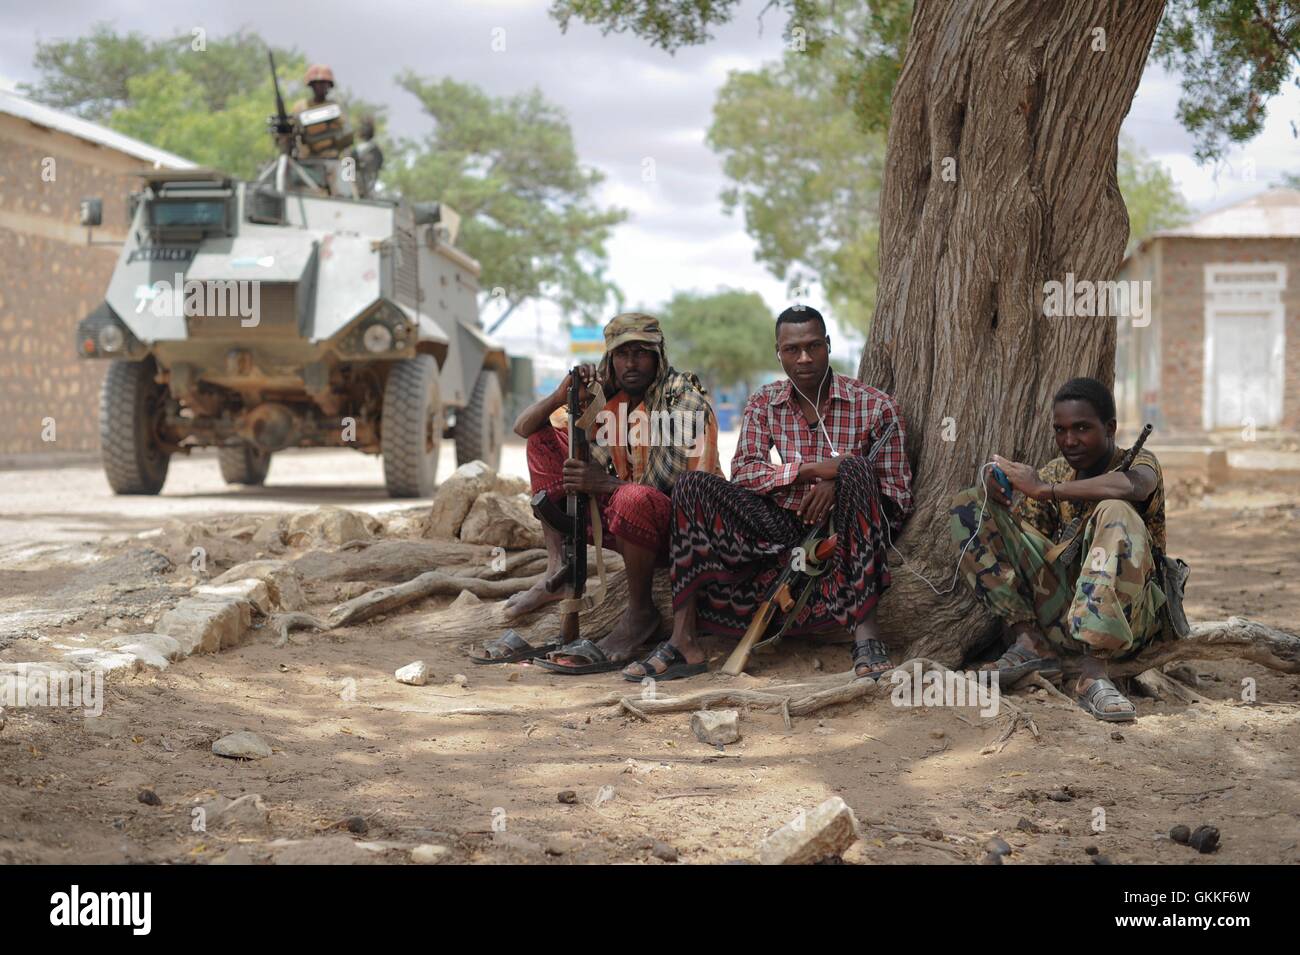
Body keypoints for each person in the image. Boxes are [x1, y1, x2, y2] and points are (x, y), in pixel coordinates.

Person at [622, 305, 914, 682]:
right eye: (792, 350)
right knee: (692, 486)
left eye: (813, 347)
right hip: (780, 524)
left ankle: (865, 633)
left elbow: (897, 497)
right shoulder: (766, 400)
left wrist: (841, 481)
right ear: (779, 353)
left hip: (848, 529)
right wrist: (809, 471)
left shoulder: (877, 406)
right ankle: (684, 640)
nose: (804, 358)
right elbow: (744, 472)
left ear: (828, 345)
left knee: (856, 467)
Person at [479, 312, 721, 673]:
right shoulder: (609, 396)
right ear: (610, 358)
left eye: (642, 353)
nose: (631, 363)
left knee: (631, 499)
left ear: (659, 356)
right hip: (631, 523)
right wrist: (563, 395)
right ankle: (557, 570)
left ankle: (641, 612)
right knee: (543, 441)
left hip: (686, 536)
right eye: (622, 354)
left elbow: (665, 493)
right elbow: (524, 426)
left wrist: (603, 484)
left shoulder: (682, 401)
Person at [947, 377, 1168, 722]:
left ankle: (1094, 674)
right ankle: (1030, 644)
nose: (1069, 440)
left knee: (1115, 510)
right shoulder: (1056, 471)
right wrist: (996, 501)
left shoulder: (1141, 463)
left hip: (1132, 619)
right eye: (1061, 430)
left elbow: (1132, 488)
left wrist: (1047, 489)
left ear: (1110, 428)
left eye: (1082, 428)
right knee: (969, 507)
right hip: (1066, 615)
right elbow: (1027, 553)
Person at [291, 64, 353, 160]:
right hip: (306, 161)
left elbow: (346, 135)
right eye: (317, 83)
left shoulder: (335, 108)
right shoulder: (300, 107)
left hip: (331, 160)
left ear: (329, 85)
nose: (320, 87)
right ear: (311, 85)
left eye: (323, 83)